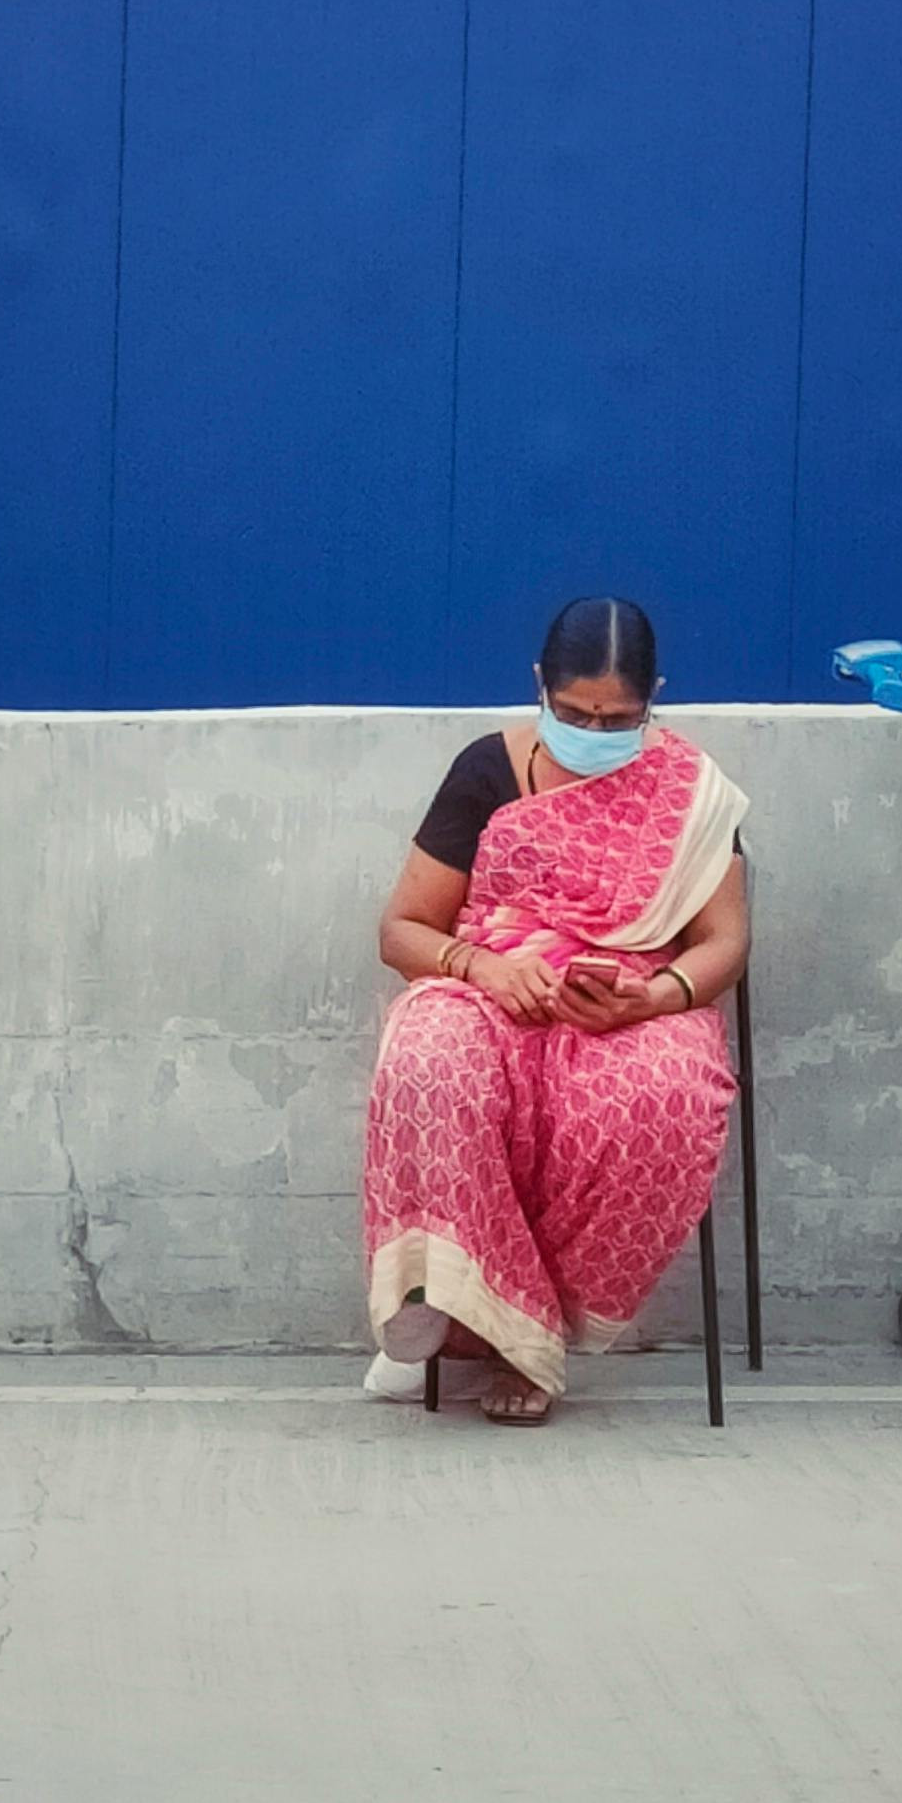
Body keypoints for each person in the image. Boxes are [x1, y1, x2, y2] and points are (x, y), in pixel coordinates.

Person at [363, 596, 748, 1424]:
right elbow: (403, 929)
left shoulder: (690, 796)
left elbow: (725, 942)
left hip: (631, 1006)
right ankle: (462, 1303)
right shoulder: (486, 770)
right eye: (573, 713)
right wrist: (484, 967)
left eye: (616, 718)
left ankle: (523, 1331)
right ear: (540, 684)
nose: (593, 731)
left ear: (654, 699)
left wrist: (654, 995)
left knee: (667, 1091)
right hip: (494, 989)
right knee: (429, 1054)